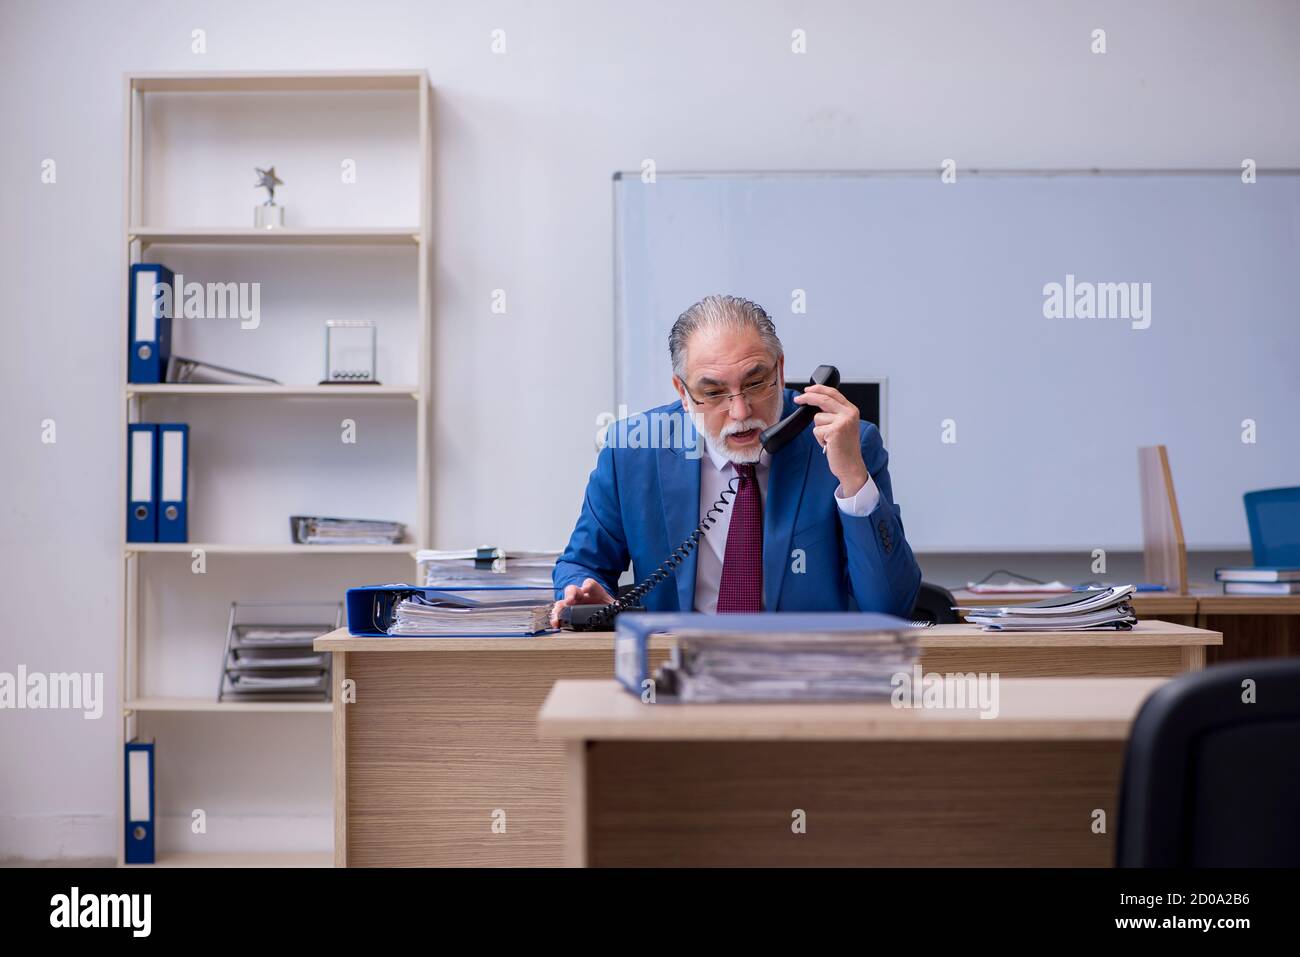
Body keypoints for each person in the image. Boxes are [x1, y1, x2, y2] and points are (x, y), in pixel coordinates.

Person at [552, 294, 921, 626]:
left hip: (805, 678)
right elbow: (581, 565)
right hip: (675, 675)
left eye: (756, 383)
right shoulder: (632, 452)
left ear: (779, 370)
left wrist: (853, 478)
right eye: (713, 393)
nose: (740, 411)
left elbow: (891, 608)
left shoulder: (848, 444)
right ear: (683, 392)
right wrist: (584, 593)